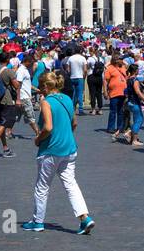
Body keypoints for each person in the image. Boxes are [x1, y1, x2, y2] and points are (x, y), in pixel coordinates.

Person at [21, 71, 94, 234]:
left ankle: (37, 221)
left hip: (50, 150)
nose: (40, 90)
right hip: (69, 149)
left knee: (42, 186)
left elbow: (48, 127)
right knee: (71, 184)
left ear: (47, 86)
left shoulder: (46, 102)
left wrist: (38, 139)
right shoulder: (67, 99)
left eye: (41, 87)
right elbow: (74, 123)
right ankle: (84, 218)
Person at [103, 56, 127, 138]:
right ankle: (110, 127)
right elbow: (105, 81)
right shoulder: (109, 68)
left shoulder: (123, 68)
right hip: (114, 92)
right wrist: (105, 91)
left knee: (121, 111)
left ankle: (120, 127)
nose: (121, 61)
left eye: (121, 59)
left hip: (123, 93)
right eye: (119, 59)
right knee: (113, 111)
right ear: (115, 60)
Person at [124, 63, 144, 146]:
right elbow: (138, 92)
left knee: (136, 120)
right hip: (135, 102)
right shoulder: (135, 80)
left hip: (130, 102)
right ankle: (132, 137)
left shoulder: (129, 79)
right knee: (139, 120)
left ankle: (132, 137)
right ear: (136, 71)